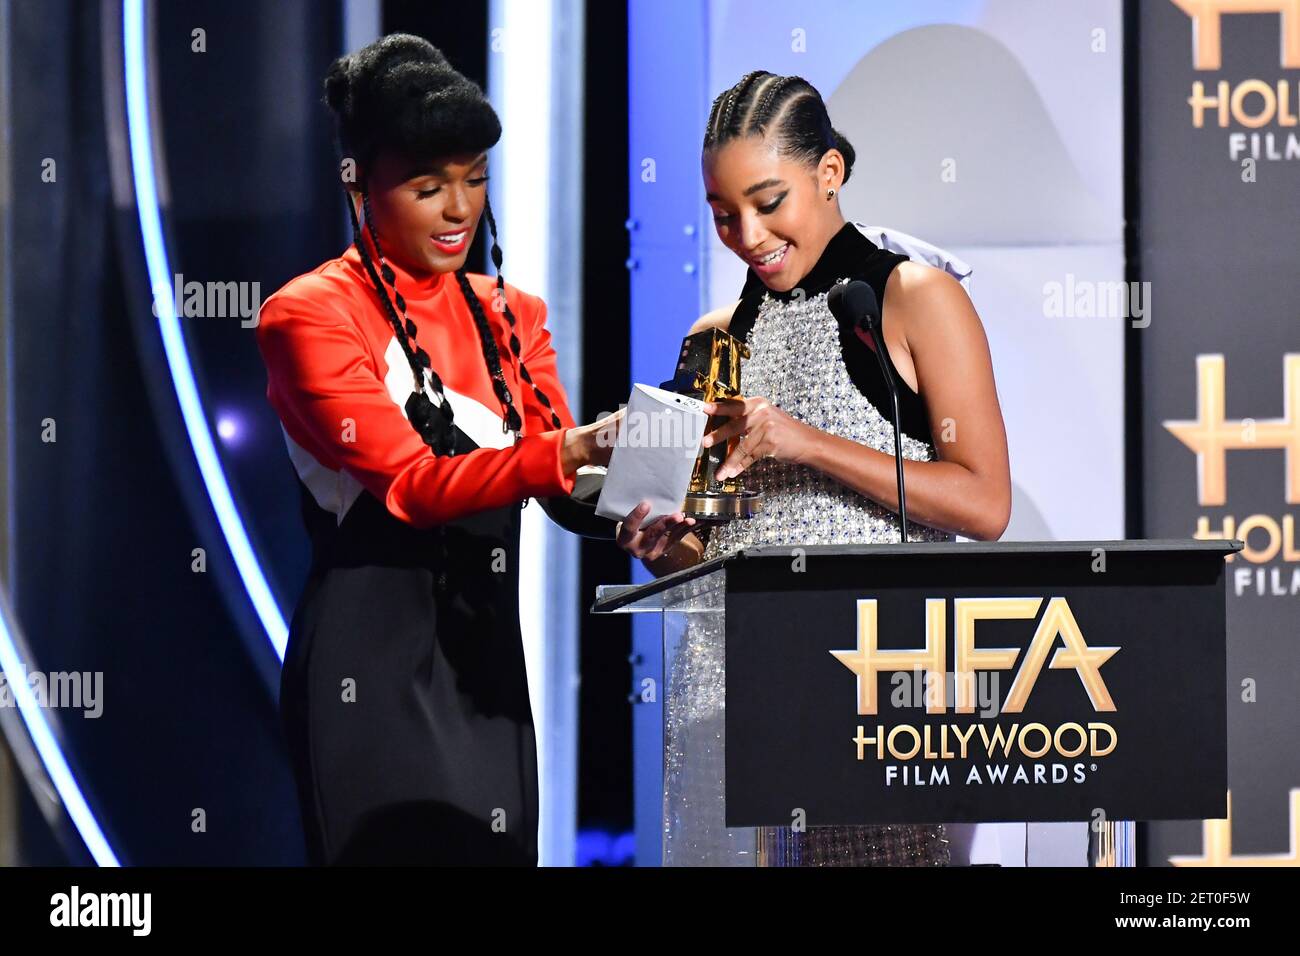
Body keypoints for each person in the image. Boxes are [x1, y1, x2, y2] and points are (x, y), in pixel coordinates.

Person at [615, 70, 1012, 866]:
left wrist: (808, 443)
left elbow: (984, 501)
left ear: (828, 173)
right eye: (724, 216)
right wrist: (665, 550)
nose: (749, 236)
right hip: (727, 697)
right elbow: (713, 548)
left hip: (873, 697)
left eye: (768, 204)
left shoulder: (915, 297)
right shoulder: (710, 339)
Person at [255, 34, 617, 865]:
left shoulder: (511, 313)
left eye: (474, 179)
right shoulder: (308, 315)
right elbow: (415, 486)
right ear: (360, 187)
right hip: (368, 679)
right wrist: (570, 449)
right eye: (429, 187)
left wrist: (658, 488)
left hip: (486, 678)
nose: (460, 210)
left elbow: (565, 487)